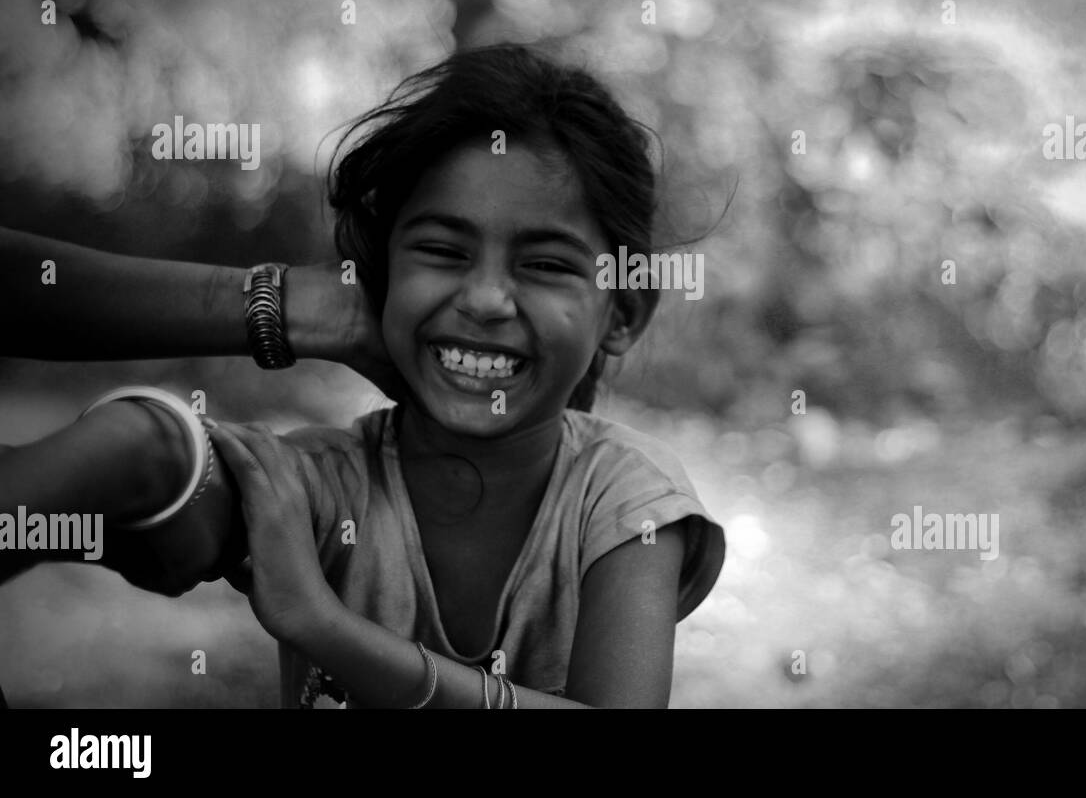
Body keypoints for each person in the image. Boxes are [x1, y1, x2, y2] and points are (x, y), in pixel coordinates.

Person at [0, 43, 726, 708]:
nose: (483, 299)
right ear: (379, 278)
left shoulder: (626, 502)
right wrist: (143, 443)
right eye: (443, 251)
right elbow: (162, 471)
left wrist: (323, 626)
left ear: (622, 311)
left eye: (545, 265)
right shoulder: (314, 485)